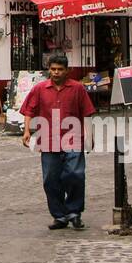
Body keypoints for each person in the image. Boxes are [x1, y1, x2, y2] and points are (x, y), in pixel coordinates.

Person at [20, 53, 95, 230]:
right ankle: (60, 215)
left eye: (60, 69)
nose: (56, 73)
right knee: (50, 179)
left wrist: (90, 136)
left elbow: (87, 113)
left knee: (75, 175)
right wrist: (26, 131)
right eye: (53, 69)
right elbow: (29, 110)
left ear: (67, 71)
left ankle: (74, 212)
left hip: (73, 138)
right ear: (49, 70)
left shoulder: (77, 89)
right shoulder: (39, 89)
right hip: (48, 140)